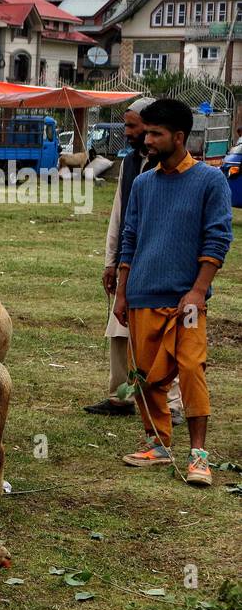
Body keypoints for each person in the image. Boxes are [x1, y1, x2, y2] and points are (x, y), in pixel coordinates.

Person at [114, 98, 232, 487]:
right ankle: (158, 444)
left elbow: (218, 239)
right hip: (143, 296)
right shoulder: (144, 184)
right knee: (146, 376)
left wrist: (198, 291)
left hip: (188, 301)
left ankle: (199, 456)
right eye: (145, 132)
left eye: (155, 134)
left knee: (192, 369)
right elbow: (130, 238)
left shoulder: (210, 180)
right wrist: (122, 293)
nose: (147, 140)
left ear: (178, 137)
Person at [85, 97, 183, 420]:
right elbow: (119, 216)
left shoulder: (170, 166)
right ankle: (119, 397)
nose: (127, 132)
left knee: (165, 332)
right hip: (129, 260)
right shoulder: (128, 164)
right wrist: (110, 262)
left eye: (132, 126)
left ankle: (172, 404)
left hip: (161, 262)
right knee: (118, 327)